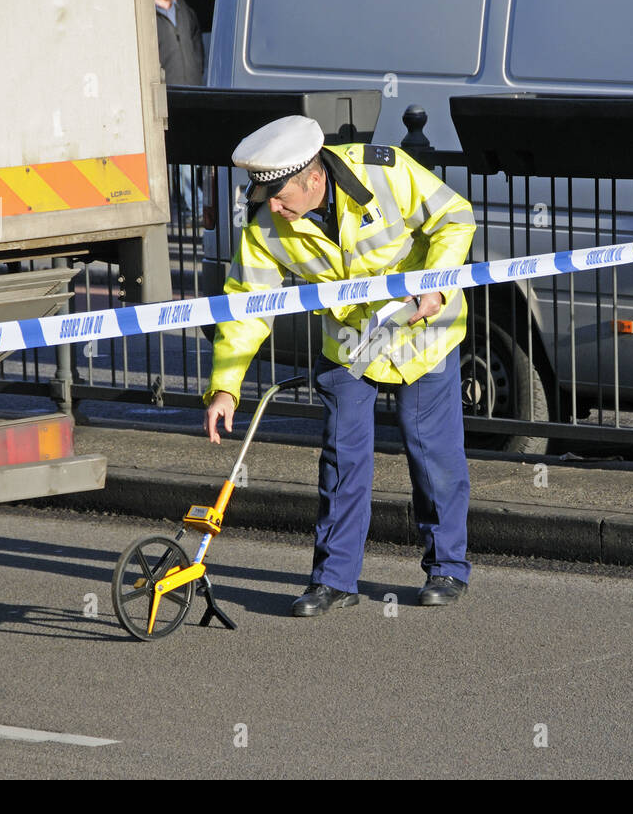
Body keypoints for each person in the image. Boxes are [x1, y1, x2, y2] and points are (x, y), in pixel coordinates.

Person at [203, 116, 475, 616]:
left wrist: (435, 282)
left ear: (313, 177)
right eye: (266, 197)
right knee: (341, 460)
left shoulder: (385, 174)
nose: (274, 208)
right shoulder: (266, 221)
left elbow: (455, 217)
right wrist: (225, 387)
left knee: (431, 453)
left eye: (281, 196)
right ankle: (334, 580)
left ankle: (447, 568)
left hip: (423, 336)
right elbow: (247, 305)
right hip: (350, 346)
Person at [153, 0, 203, 223]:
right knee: (177, 155)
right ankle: (192, 204)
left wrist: (198, 73)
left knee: (191, 152)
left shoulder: (183, 11)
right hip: (167, 94)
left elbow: (196, 44)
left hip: (191, 91)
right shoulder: (147, 16)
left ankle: (192, 202)